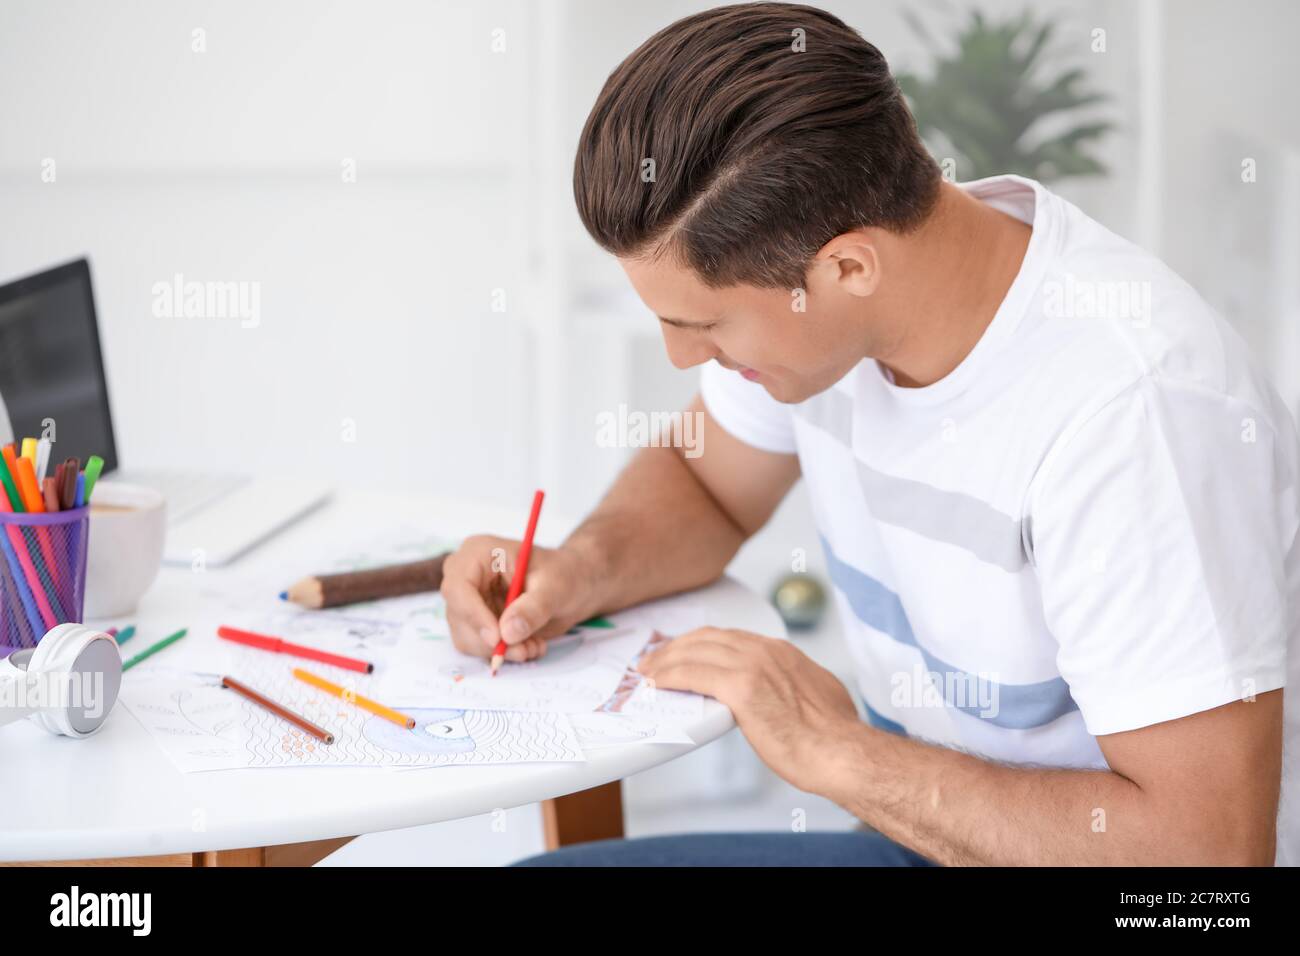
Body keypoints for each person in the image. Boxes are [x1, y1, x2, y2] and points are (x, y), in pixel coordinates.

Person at [441, 2, 1299, 866]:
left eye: (704, 324)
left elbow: (1208, 865)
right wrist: (579, 570)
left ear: (847, 266)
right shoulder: (828, 322)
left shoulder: (1134, 412)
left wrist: (838, 752)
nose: (679, 357)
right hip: (927, 842)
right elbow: (706, 484)